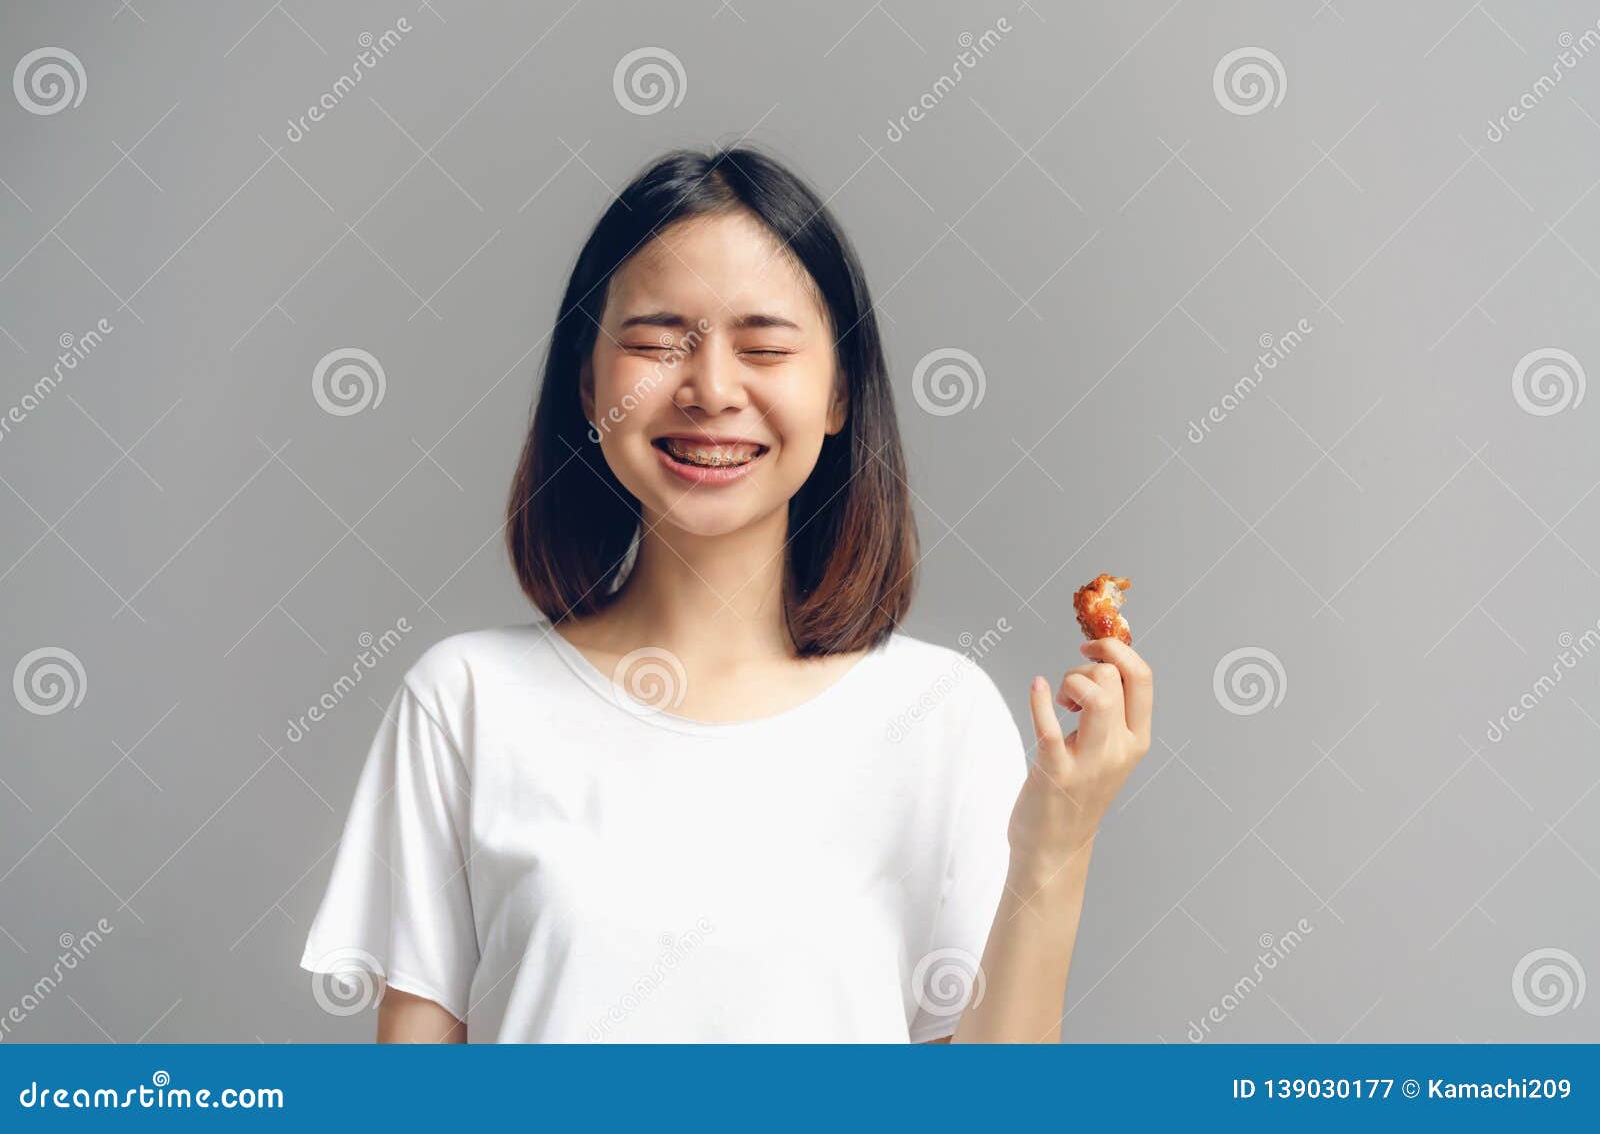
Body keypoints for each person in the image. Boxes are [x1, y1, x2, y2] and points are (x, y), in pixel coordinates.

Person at [299, 144, 1154, 1043]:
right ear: (589, 385)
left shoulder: (940, 717)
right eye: (657, 341)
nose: (710, 388)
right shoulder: (468, 702)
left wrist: (1057, 843)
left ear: (838, 394)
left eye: (765, 347)